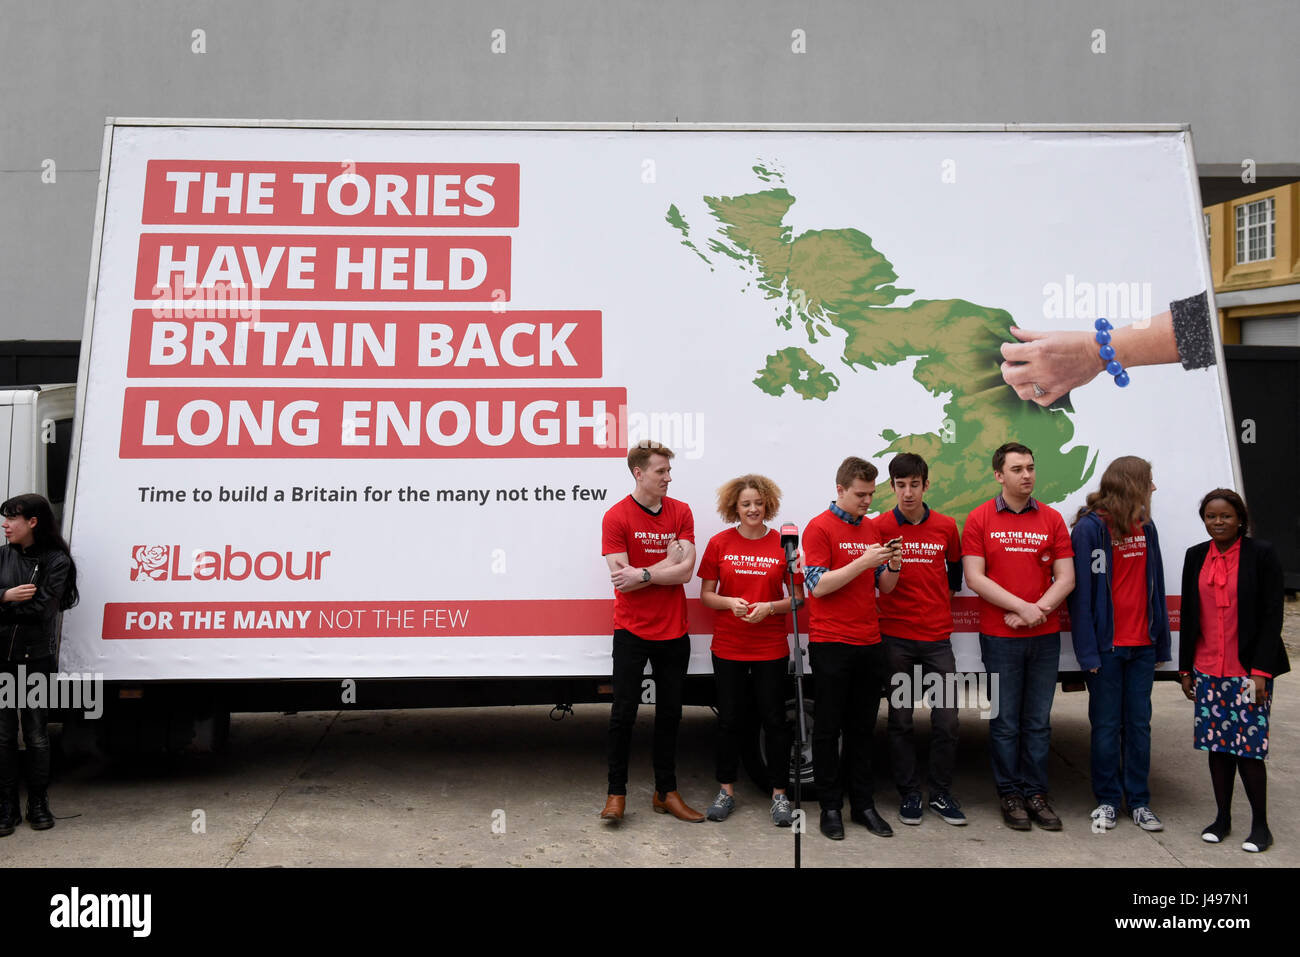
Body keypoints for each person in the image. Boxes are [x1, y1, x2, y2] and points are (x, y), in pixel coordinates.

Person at [962, 442, 1074, 831]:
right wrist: (1024, 609)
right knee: (1006, 721)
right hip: (999, 637)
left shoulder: (1053, 519)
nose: (1026, 475)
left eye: (1030, 467)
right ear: (999, 475)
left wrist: (1035, 611)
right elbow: (975, 577)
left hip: (1043, 638)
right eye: (1017, 469)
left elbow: (1067, 577)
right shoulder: (979, 519)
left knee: (1038, 721)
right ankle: (1010, 794)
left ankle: (1036, 793)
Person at [1178, 488, 1289, 853]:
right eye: (1211, 516)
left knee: (1250, 750)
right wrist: (1185, 670)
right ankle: (1222, 818)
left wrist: (1261, 671)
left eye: (1225, 516)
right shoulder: (1196, 556)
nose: (1218, 522)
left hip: (1247, 673)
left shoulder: (1261, 554)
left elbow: (1273, 615)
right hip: (1208, 669)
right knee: (1218, 747)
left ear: (1240, 518)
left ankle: (1261, 826)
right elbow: (1191, 615)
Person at [1067, 456, 1171, 833]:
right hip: (1108, 650)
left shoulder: (1148, 527)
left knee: (1139, 725)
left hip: (1143, 646)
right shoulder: (1090, 529)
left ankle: (1140, 803)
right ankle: (1108, 801)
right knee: (1107, 727)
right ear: (1131, 484)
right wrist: (1088, 652)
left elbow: (1155, 585)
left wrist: (1162, 645)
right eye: (1148, 481)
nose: (1153, 489)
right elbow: (1079, 599)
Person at [599, 441, 701, 823]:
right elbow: (621, 581)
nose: (668, 478)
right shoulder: (616, 517)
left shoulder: (682, 512)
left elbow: (686, 572)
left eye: (669, 471)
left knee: (670, 715)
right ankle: (615, 795)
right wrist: (664, 565)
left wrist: (644, 572)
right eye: (661, 471)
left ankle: (666, 792)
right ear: (639, 473)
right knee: (622, 714)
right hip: (631, 631)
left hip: (674, 632)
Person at [802, 456, 900, 840]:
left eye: (871, 495)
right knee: (827, 730)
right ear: (840, 490)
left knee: (862, 730)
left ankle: (863, 806)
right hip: (831, 644)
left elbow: (886, 588)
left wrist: (893, 565)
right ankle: (830, 808)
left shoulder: (873, 529)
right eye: (860, 494)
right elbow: (819, 586)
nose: (867, 502)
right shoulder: (818, 528)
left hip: (869, 641)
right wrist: (863, 562)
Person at [697, 474, 802, 826]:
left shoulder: (784, 546)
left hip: (770, 647)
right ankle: (725, 791)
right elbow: (706, 596)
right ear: (734, 507)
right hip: (728, 646)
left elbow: (798, 599)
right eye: (746, 504)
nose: (753, 509)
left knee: (774, 721)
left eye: (758, 503)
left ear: (768, 504)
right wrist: (730, 603)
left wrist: (769, 608)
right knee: (729, 720)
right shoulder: (719, 543)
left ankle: (779, 796)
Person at [873, 453, 966, 827]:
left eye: (914, 484)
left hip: (937, 641)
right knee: (901, 721)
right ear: (892, 486)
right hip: (896, 641)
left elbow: (955, 575)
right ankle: (910, 794)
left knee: (947, 721)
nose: (907, 492)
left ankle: (941, 793)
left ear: (926, 485)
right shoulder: (879, 527)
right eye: (900, 485)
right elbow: (877, 581)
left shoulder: (945, 526)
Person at [0, 493, 79, 835]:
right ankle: (7, 807)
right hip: (1, 658)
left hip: (34, 659)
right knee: (3, 737)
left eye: (12, 518)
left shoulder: (55, 561)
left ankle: (38, 803)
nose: (5, 525)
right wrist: (4, 596)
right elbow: (21, 606)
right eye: (3, 518)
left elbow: (41, 611)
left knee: (35, 735)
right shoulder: (1, 556)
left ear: (33, 522)